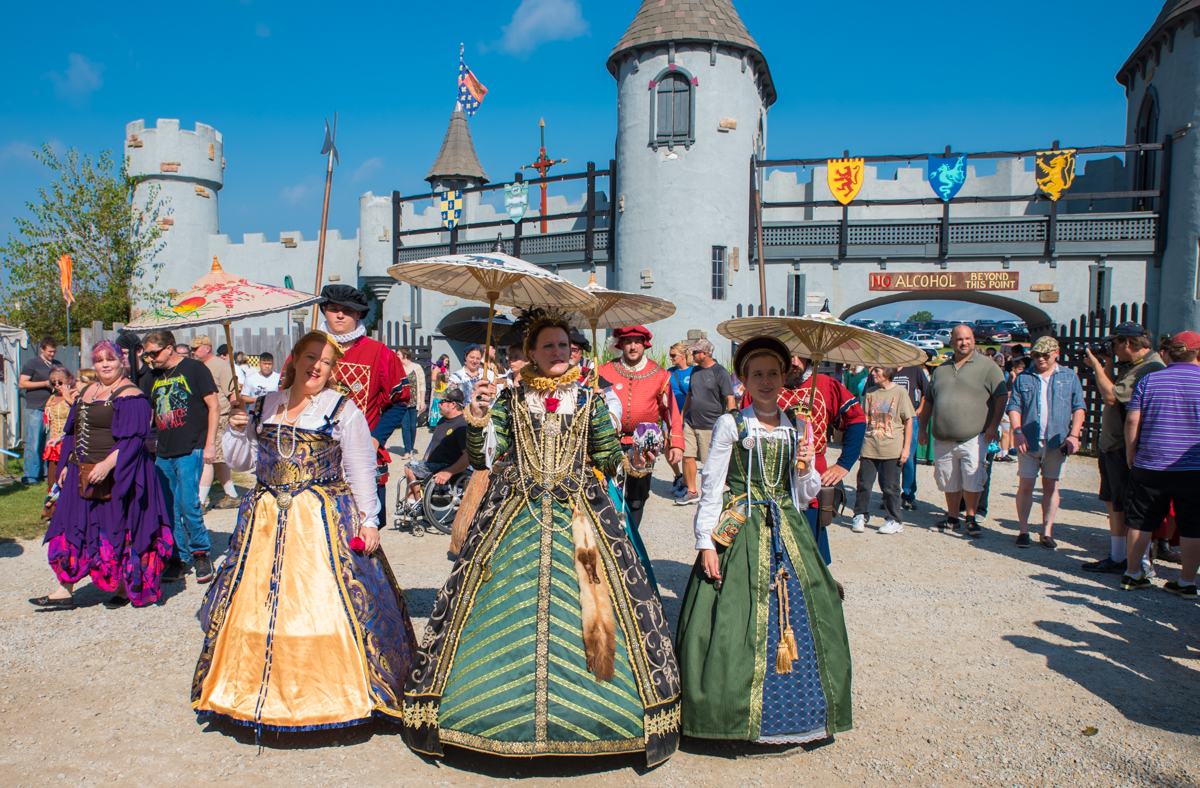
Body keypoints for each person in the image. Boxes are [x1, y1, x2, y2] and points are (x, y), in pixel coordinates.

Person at [404, 309, 680, 765]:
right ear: (530, 353)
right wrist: (477, 419)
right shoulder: (509, 399)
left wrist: (639, 463)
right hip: (516, 513)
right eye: (547, 345)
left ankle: (603, 714)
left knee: (603, 605)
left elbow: (608, 457)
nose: (557, 353)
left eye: (563, 345)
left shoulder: (590, 400)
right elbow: (481, 460)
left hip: (580, 515)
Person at [193, 331, 417, 730]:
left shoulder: (341, 409)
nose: (317, 367)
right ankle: (247, 690)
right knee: (258, 605)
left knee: (324, 606)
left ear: (332, 370)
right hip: (265, 520)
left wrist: (368, 519)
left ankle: (335, 693)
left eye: (326, 362)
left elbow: (359, 466)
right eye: (310, 357)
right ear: (294, 359)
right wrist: (237, 426)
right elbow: (245, 463)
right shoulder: (263, 405)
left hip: (320, 520)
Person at [676, 336, 852, 744]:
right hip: (742, 525)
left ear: (785, 376)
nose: (767, 380)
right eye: (758, 374)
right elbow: (713, 483)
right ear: (743, 380)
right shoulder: (731, 423)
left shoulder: (797, 425)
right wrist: (705, 541)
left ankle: (801, 715)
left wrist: (808, 461)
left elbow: (804, 493)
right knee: (735, 615)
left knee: (808, 607)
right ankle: (732, 716)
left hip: (787, 528)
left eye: (774, 373)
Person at [29, 341, 173, 610]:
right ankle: (64, 589)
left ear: (122, 362)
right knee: (74, 524)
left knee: (117, 527)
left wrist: (108, 464)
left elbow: (134, 440)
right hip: (82, 470)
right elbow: (73, 432)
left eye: (110, 359)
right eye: (98, 360)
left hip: (120, 473)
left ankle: (121, 587)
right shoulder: (87, 390)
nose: (105, 364)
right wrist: (66, 465)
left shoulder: (132, 395)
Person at [1117, 330, 1200, 595]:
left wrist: (1131, 452)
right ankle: (1187, 581)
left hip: (1151, 462)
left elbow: (1132, 420)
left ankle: (1132, 574)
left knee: (1141, 520)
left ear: (1169, 353)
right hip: (1192, 465)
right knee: (1192, 524)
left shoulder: (1150, 380)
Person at [318, 285, 409, 523]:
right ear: (324, 311)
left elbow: (399, 402)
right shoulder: (310, 349)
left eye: (347, 310)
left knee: (363, 534)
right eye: (333, 309)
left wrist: (376, 439)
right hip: (316, 456)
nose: (339, 315)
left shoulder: (379, 353)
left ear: (358, 315)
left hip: (362, 456)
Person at [1081, 323, 1165, 574]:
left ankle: (1139, 561)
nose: (1113, 348)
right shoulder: (1134, 367)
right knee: (1114, 502)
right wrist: (1106, 363)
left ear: (1127, 343)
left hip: (1124, 447)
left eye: (1115, 343)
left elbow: (1110, 397)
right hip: (1112, 444)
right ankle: (1118, 556)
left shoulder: (1149, 368)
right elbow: (1114, 390)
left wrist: (1095, 365)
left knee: (1131, 507)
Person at [140, 330, 219, 584]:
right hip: (163, 450)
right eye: (147, 354)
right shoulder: (152, 376)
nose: (151, 359)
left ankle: (200, 552)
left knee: (188, 503)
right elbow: (148, 411)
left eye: (154, 353)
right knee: (168, 508)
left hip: (192, 446)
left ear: (170, 348)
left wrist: (209, 445)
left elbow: (214, 405)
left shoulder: (194, 369)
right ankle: (178, 558)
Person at [777, 354, 867, 565]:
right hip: (773, 480)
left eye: (800, 356)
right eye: (788, 355)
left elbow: (856, 418)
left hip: (810, 482)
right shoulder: (765, 384)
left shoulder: (825, 384)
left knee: (811, 553)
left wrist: (844, 464)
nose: (794, 362)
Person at [919, 325, 1007, 537]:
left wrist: (993, 426)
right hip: (943, 439)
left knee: (973, 478)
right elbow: (929, 401)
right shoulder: (940, 369)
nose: (964, 342)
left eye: (967, 338)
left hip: (974, 437)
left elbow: (1001, 395)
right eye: (959, 339)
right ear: (952, 340)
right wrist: (922, 428)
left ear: (974, 340)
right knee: (948, 479)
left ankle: (970, 517)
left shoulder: (988, 366)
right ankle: (951, 518)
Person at [595, 325, 684, 528]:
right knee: (606, 492)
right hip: (610, 442)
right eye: (628, 342)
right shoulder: (603, 371)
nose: (633, 346)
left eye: (637, 342)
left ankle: (631, 543)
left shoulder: (660, 375)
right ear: (621, 344)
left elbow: (670, 410)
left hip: (645, 444)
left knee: (637, 496)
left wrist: (677, 442)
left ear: (645, 345)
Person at [1005, 336, 1085, 549]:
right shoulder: (1024, 377)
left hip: (1057, 441)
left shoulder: (1069, 376)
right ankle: (1023, 530)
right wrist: (1017, 431)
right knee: (1026, 486)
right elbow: (1014, 406)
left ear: (1056, 353)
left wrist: (1074, 435)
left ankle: (1046, 531)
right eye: (1037, 355)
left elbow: (1079, 407)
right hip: (1028, 440)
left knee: (1051, 486)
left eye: (1045, 355)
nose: (1040, 359)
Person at [853, 366, 915, 534]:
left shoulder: (900, 392)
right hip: (869, 445)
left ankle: (894, 519)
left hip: (892, 447)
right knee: (864, 484)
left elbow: (908, 421)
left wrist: (906, 448)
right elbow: (863, 419)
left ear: (888, 372)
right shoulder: (870, 393)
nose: (873, 373)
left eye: (877, 370)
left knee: (891, 487)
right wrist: (858, 445)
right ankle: (860, 515)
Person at [677, 338, 736, 505]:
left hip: (710, 425)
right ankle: (691, 491)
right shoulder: (695, 371)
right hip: (691, 422)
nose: (692, 354)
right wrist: (682, 415)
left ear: (705, 353)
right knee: (687, 456)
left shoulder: (720, 372)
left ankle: (713, 494)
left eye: (695, 352)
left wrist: (731, 421)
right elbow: (690, 394)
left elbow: (729, 398)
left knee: (709, 463)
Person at [190, 335, 240, 511]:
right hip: (206, 416)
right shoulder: (199, 366)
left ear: (207, 348)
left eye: (196, 348)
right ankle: (232, 494)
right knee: (218, 459)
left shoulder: (221, 366)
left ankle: (200, 502)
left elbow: (233, 394)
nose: (194, 352)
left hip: (221, 417)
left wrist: (235, 416)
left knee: (208, 458)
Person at [402, 387, 469, 508]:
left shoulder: (461, 425)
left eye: (442, 402)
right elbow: (434, 444)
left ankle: (420, 505)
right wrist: (425, 460)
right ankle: (411, 503)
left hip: (446, 466)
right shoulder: (443, 420)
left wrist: (449, 473)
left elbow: (467, 456)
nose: (438, 404)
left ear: (453, 405)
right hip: (433, 463)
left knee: (411, 469)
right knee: (410, 467)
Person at [18, 336, 62, 486]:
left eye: (54, 351)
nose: (52, 354)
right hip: (36, 408)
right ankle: (30, 476)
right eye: (49, 351)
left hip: (52, 409)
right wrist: (44, 383)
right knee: (33, 442)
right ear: (42, 349)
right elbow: (22, 383)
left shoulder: (57, 364)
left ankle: (45, 473)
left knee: (49, 443)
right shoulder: (32, 364)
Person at [890, 364, 929, 510]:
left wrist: (919, 409)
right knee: (887, 458)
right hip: (889, 420)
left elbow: (927, 392)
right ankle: (889, 494)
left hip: (910, 420)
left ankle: (908, 494)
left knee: (909, 459)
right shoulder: (885, 368)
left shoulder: (914, 369)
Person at [40, 367, 77, 520]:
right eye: (53, 382)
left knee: (68, 481)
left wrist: (67, 397)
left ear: (69, 379)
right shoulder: (51, 397)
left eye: (60, 381)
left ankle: (67, 513)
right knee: (52, 481)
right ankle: (51, 514)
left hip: (68, 441)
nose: (56, 385)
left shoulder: (74, 395)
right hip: (53, 444)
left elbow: (78, 416)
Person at [666, 342, 693, 494]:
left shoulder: (693, 371)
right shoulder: (669, 372)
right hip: (670, 414)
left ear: (683, 355)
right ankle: (678, 476)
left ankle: (685, 482)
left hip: (688, 417)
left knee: (684, 449)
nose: (671, 358)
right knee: (666, 446)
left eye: (673, 355)